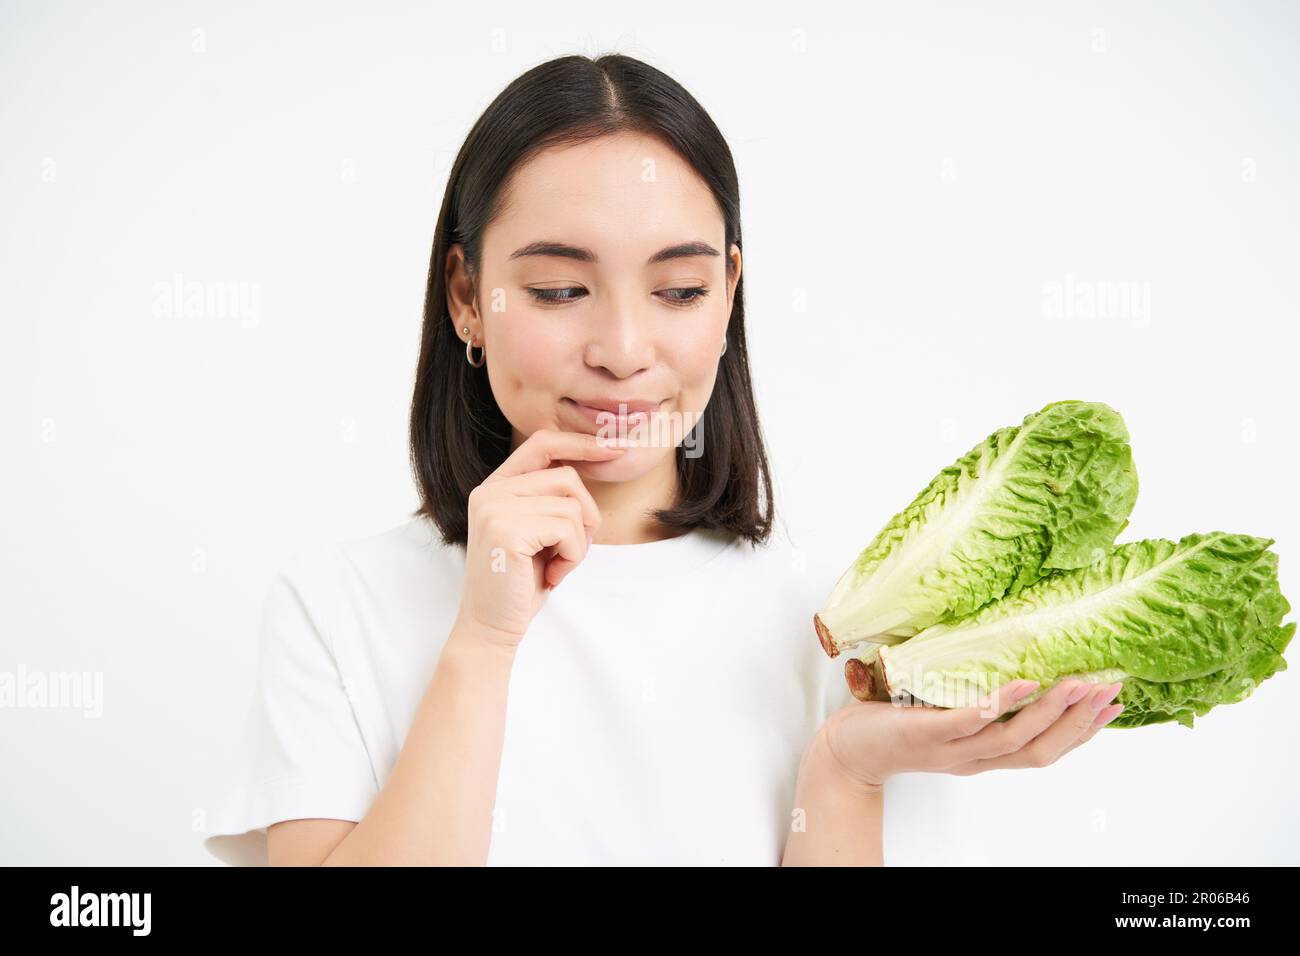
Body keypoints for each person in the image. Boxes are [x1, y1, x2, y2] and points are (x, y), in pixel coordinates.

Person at [201, 52, 1123, 867]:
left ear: (728, 296)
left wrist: (844, 773)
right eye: (561, 288)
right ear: (467, 298)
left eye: (677, 289)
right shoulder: (335, 608)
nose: (623, 347)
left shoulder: (849, 637)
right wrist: (482, 643)